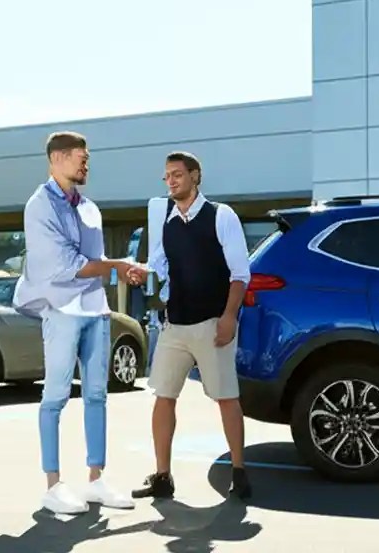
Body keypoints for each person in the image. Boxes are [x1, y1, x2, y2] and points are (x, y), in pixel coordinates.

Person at [14, 131, 144, 516]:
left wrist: (121, 270)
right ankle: (53, 485)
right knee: (54, 398)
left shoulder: (90, 207)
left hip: (95, 311)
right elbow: (64, 267)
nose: (86, 164)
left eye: (87, 158)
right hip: (61, 311)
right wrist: (116, 266)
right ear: (57, 158)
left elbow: (94, 261)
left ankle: (95, 480)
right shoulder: (39, 207)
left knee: (97, 397)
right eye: (80, 157)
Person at [126, 150, 253, 501]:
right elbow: (160, 269)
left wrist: (229, 317)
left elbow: (240, 275)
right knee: (163, 397)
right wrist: (143, 274)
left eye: (177, 174)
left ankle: (239, 473)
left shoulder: (220, 216)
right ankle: (163, 476)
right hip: (175, 325)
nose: (171, 181)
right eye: (167, 175)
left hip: (213, 323)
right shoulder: (163, 217)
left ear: (195, 176)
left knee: (226, 398)